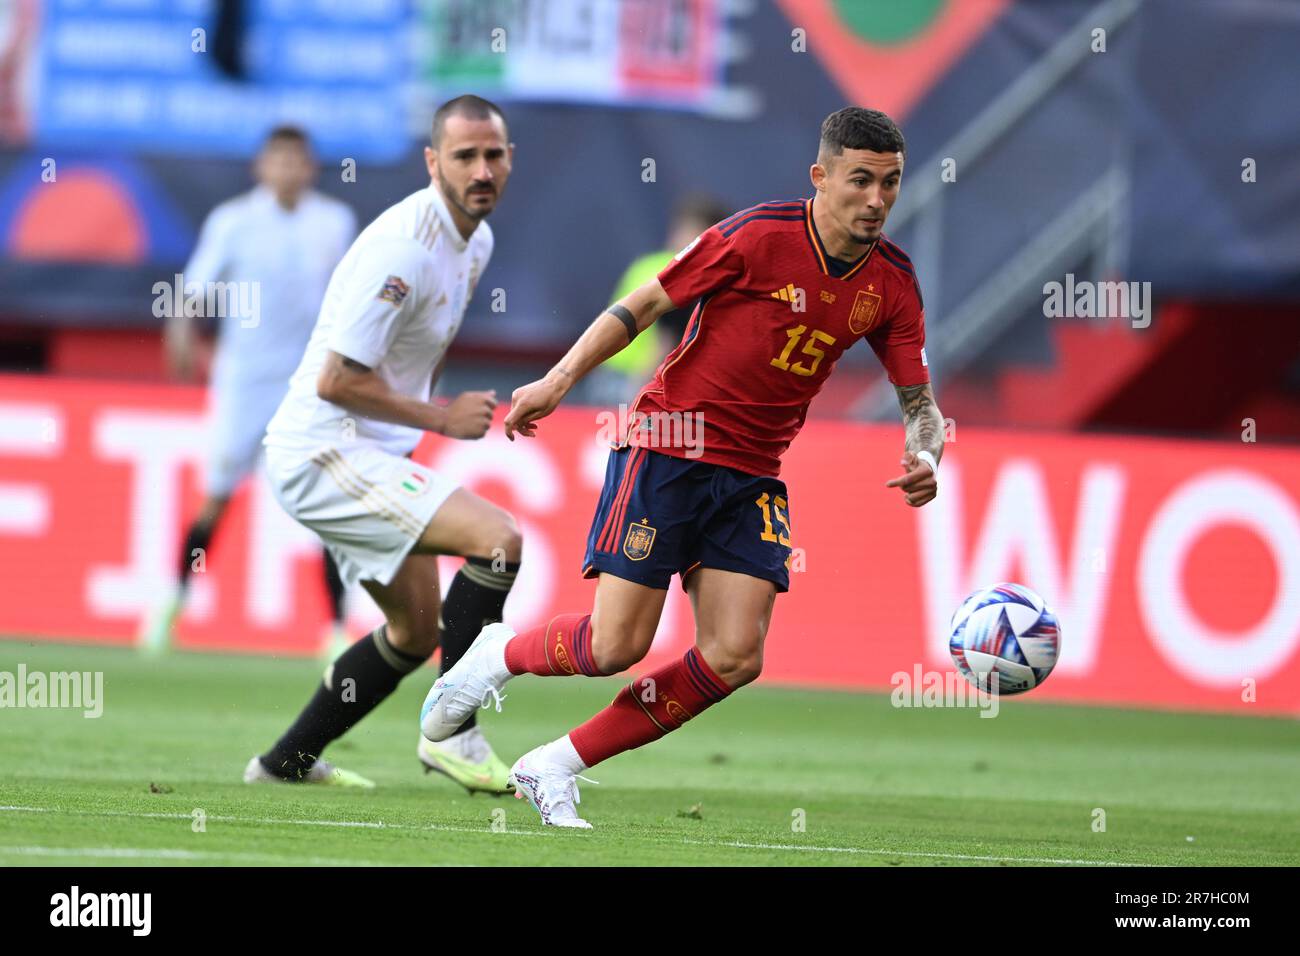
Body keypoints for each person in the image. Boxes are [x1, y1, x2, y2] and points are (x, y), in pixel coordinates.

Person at [421, 106, 944, 827]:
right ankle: (494, 655)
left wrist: (924, 451)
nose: (878, 200)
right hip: (669, 449)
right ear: (821, 178)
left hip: (754, 474)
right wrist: (557, 380)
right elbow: (641, 305)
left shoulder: (891, 282)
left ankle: (555, 765)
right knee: (614, 647)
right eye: (861, 181)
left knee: (735, 655)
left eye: (890, 183)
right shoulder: (758, 237)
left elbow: (919, 402)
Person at [247, 96, 520, 793]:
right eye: (464, 156)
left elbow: (407, 354)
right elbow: (338, 380)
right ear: (434, 163)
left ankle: (283, 765)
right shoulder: (405, 249)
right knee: (498, 540)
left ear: (509, 159)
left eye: (493, 155)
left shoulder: (476, 241)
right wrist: (439, 418)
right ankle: (454, 733)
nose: (481, 170)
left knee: (413, 632)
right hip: (324, 450)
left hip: (369, 452)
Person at [143, 126, 356, 658]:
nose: (287, 170)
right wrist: (180, 336)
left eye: (296, 161)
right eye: (277, 160)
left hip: (309, 387)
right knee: (217, 495)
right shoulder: (234, 221)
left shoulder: (334, 222)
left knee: (321, 503)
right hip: (242, 384)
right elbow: (191, 293)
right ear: (260, 167)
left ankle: (334, 628)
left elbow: (354, 302)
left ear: (310, 168)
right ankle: (173, 601)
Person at [583, 195, 731, 408]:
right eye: (681, 229)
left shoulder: (657, 267)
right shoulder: (678, 274)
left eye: (689, 230)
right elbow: (664, 340)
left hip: (613, 374)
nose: (680, 236)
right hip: (630, 379)